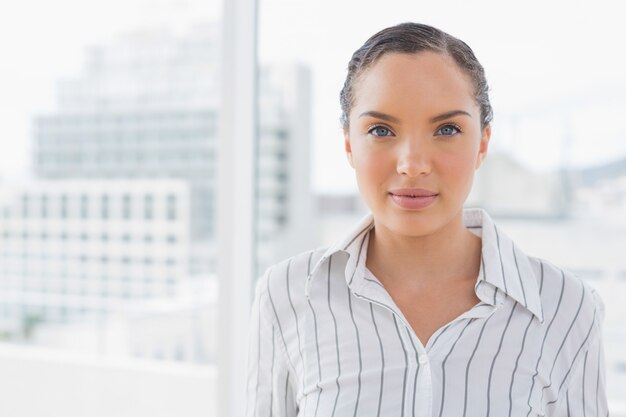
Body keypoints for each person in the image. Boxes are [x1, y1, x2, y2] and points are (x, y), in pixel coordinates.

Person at [245, 22, 608, 417]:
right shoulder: (286, 296)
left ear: (482, 143)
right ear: (349, 144)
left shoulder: (567, 308)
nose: (412, 165)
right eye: (381, 130)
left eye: (447, 129)